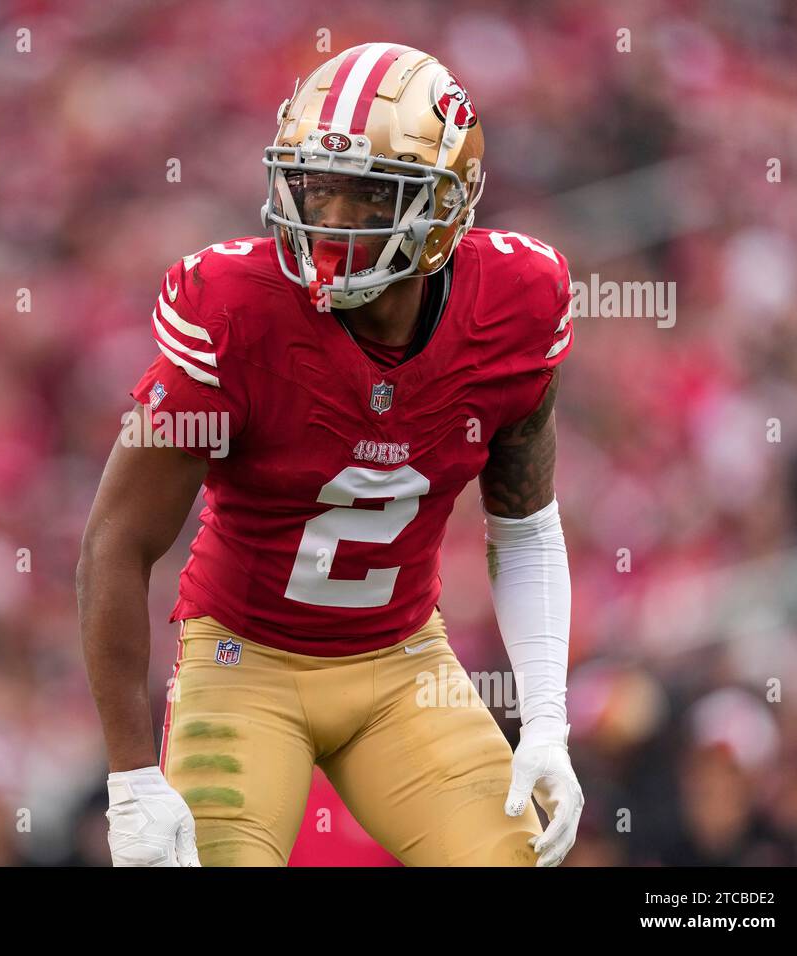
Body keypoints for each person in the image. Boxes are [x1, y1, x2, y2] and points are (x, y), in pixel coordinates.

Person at [78, 42, 584, 866]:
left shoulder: (518, 304)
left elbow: (524, 525)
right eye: (320, 186)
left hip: (403, 665)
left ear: (446, 207)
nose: (333, 222)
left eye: (369, 194)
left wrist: (549, 723)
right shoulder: (236, 310)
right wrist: (131, 778)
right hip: (243, 663)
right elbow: (115, 543)